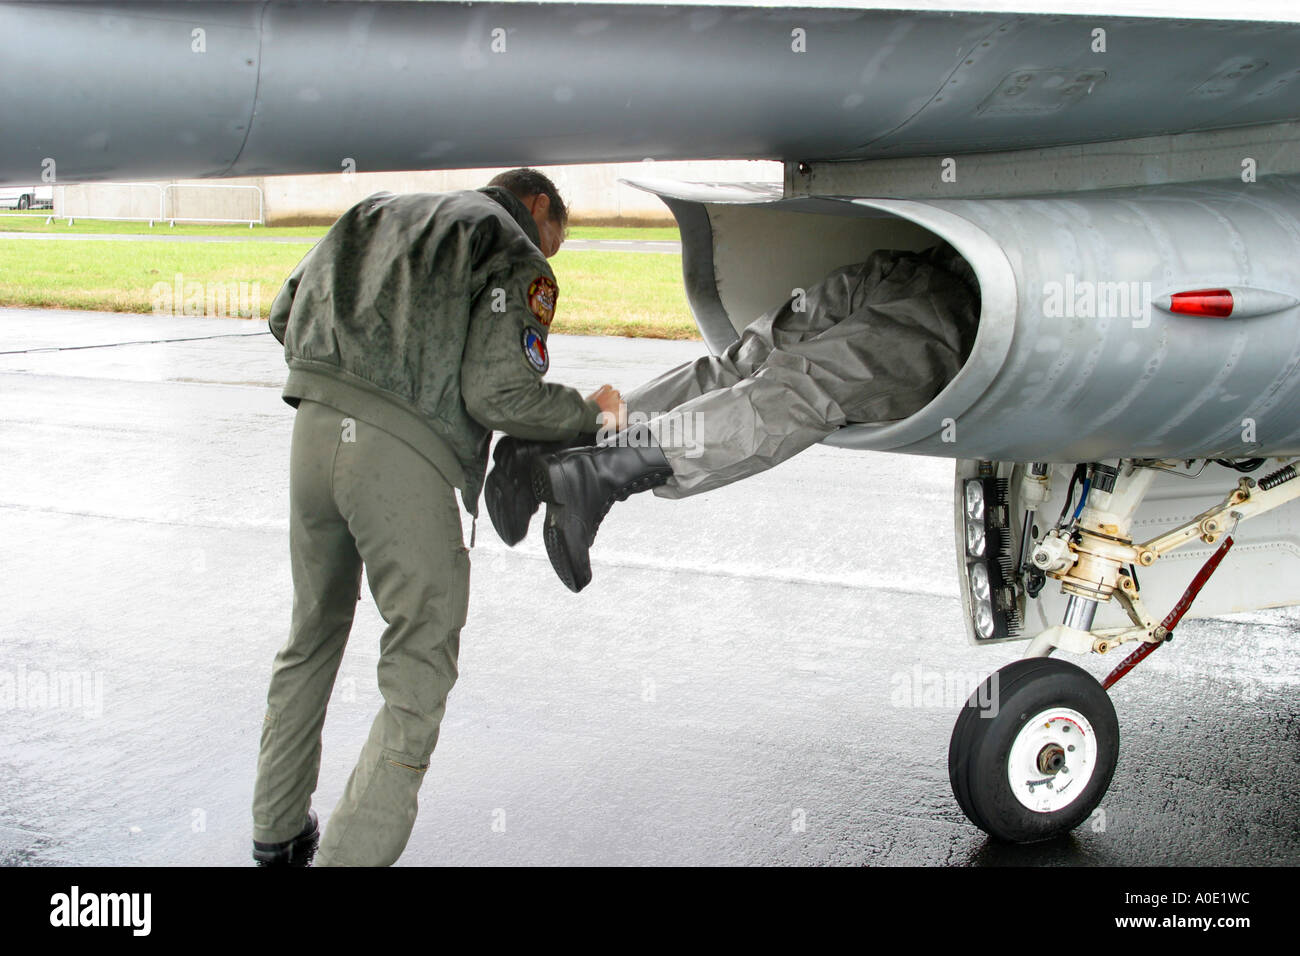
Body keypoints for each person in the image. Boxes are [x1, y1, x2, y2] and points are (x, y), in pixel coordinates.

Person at [250, 168, 622, 866]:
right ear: (537, 205)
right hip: (400, 458)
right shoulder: (511, 246)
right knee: (419, 660)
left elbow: (282, 313)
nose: (550, 255)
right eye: (555, 239)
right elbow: (496, 393)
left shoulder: (376, 211)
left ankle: (275, 830)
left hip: (312, 434)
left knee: (312, 633)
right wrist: (589, 410)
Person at [486, 245, 979, 592]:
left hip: (909, 267)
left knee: (740, 366)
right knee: (803, 389)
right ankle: (595, 474)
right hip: (968, 303)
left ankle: (549, 447)